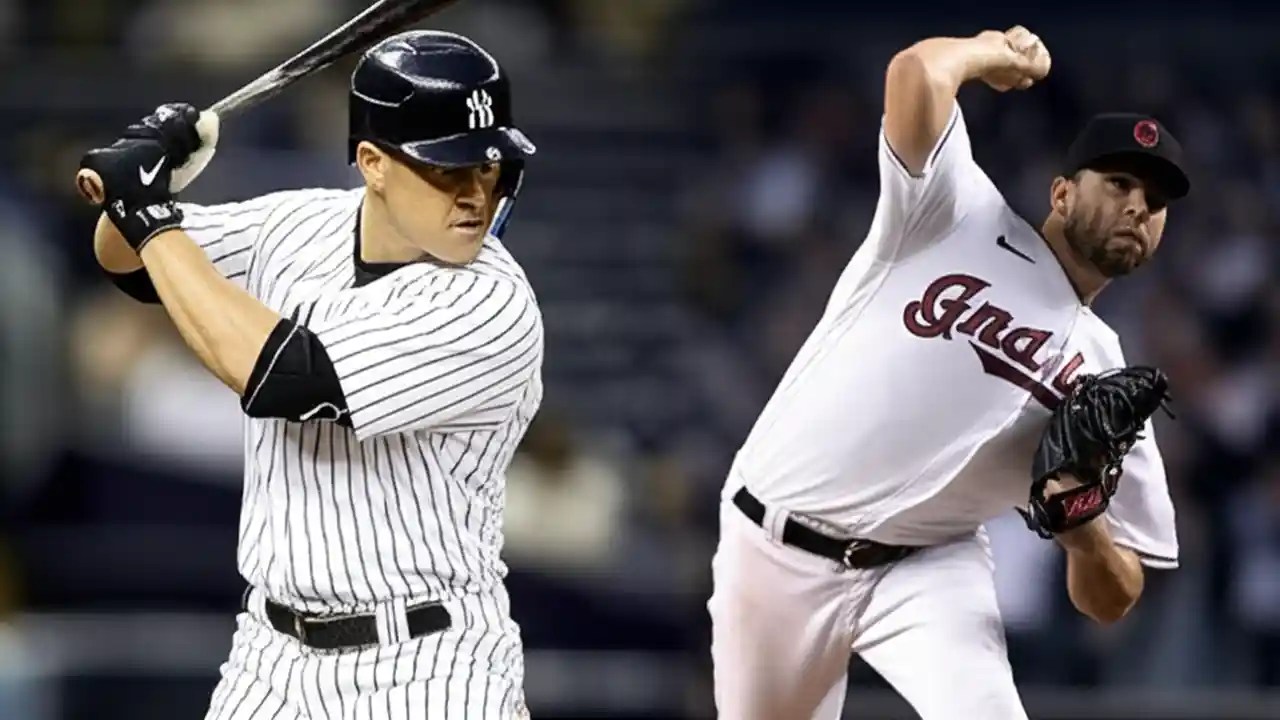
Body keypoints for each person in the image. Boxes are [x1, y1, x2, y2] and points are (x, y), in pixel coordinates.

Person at [707, 25, 1190, 719]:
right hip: (774, 540)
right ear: (1060, 195)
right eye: (1119, 183)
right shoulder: (957, 212)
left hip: (927, 565)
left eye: (1156, 200)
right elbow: (914, 75)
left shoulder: (1107, 373)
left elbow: (1115, 596)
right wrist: (992, 51)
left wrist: (1086, 534)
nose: (1138, 206)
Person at [79, 30, 541, 720]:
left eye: (487, 167)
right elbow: (130, 263)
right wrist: (149, 179)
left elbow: (284, 380)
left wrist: (148, 212)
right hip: (270, 656)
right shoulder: (299, 224)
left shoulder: (489, 301)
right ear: (372, 163)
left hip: (425, 664)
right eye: (446, 168)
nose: (474, 191)